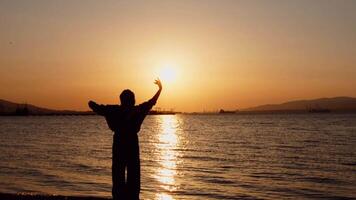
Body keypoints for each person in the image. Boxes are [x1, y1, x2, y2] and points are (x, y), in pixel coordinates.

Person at [88, 79, 162, 200]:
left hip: (119, 144)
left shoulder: (114, 110)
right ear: (133, 100)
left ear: (121, 100)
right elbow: (152, 102)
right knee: (133, 176)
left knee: (118, 176)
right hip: (132, 144)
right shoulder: (137, 110)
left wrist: (92, 103)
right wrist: (160, 89)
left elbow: (95, 106)